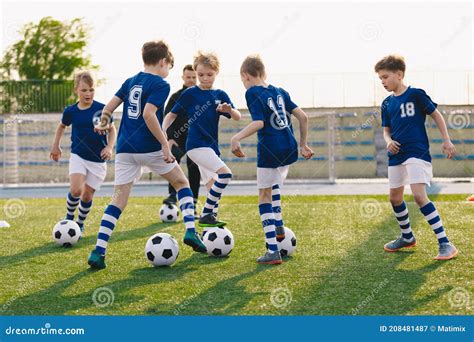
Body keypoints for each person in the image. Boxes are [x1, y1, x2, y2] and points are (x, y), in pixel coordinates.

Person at [231, 55, 314, 264]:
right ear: (263, 73)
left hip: (270, 149)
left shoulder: (251, 92)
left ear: (245, 75)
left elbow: (259, 123)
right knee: (274, 185)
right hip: (289, 147)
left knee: (263, 196)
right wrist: (303, 144)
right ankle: (278, 225)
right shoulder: (280, 91)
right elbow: (303, 117)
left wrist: (237, 137)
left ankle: (272, 251)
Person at [375, 54, 458, 260]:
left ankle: (445, 243)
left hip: (417, 152)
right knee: (394, 198)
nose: (383, 82)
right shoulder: (386, 104)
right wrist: (388, 141)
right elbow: (386, 130)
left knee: (419, 196)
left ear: (399, 74)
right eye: (380, 79)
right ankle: (407, 237)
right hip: (396, 155)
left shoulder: (416, 94)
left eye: (385, 77)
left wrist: (446, 140)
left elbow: (436, 115)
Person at [50, 71, 116, 234]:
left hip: (98, 161)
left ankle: (79, 223)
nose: (88, 93)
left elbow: (112, 129)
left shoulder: (102, 109)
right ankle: (69, 218)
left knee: (87, 196)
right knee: (76, 190)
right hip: (78, 155)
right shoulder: (71, 111)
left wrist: (109, 147)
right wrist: (55, 145)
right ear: (76, 90)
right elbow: (61, 126)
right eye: (84, 90)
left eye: (91, 90)